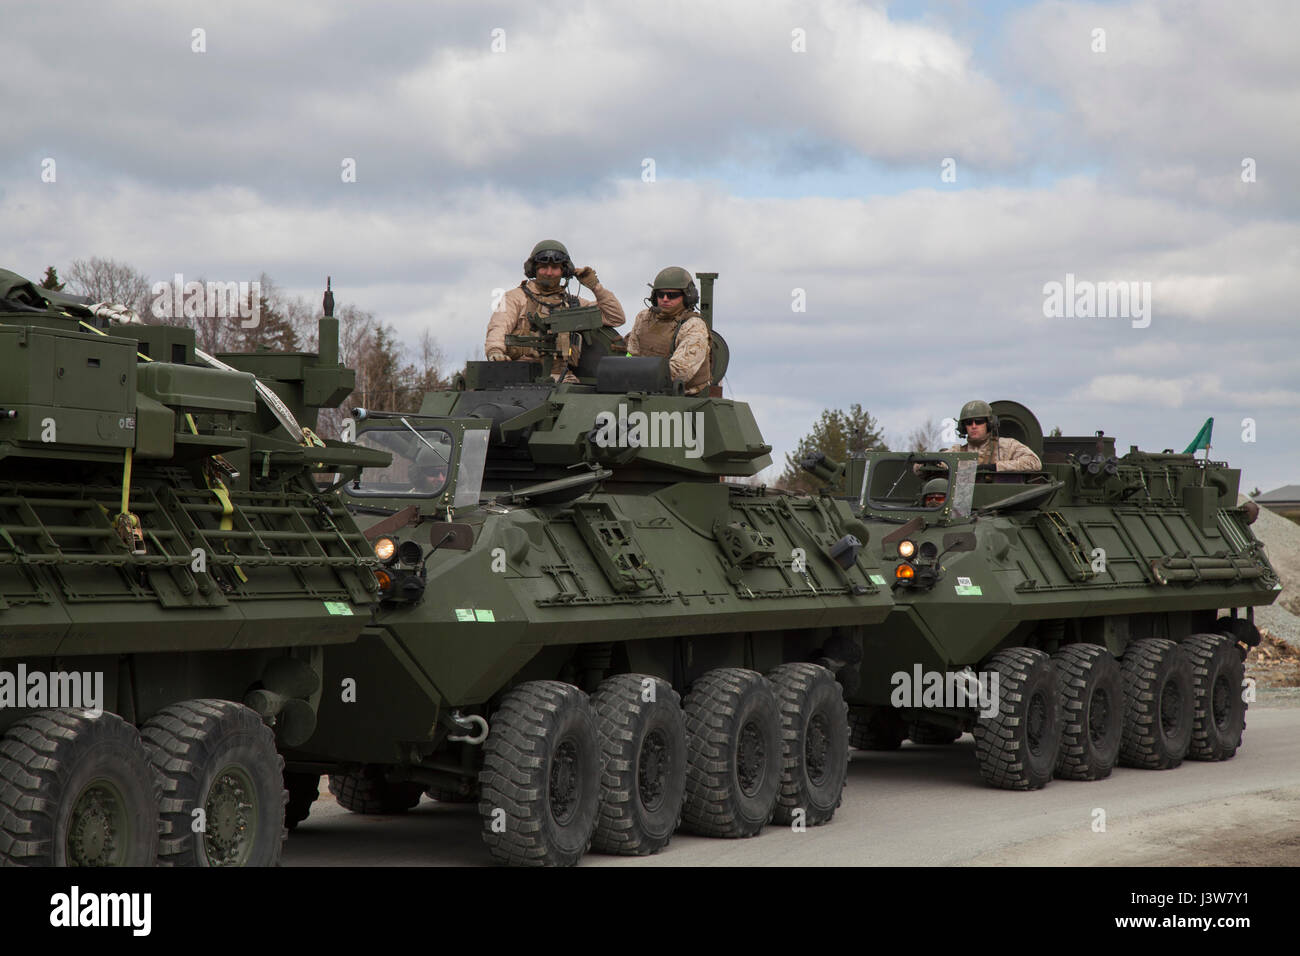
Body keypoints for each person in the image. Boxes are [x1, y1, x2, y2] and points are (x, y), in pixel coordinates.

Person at [485, 240, 625, 382]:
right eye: (543, 267)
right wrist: (495, 351)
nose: (549, 273)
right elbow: (498, 327)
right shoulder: (513, 298)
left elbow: (615, 318)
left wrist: (595, 287)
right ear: (534, 269)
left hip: (564, 378)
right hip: (523, 375)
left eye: (555, 267)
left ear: (564, 271)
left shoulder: (573, 304)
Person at [624, 266, 711, 395]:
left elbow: (679, 372)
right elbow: (631, 356)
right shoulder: (644, 318)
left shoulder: (693, 326)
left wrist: (635, 376)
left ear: (687, 297)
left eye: (672, 295)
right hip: (644, 391)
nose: (665, 299)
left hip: (685, 398)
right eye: (660, 294)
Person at [948, 400, 1041, 471]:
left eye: (979, 421)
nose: (974, 426)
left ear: (989, 424)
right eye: (969, 423)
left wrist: (997, 466)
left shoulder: (1007, 446)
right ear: (963, 427)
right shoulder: (957, 451)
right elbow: (939, 462)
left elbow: (1034, 462)